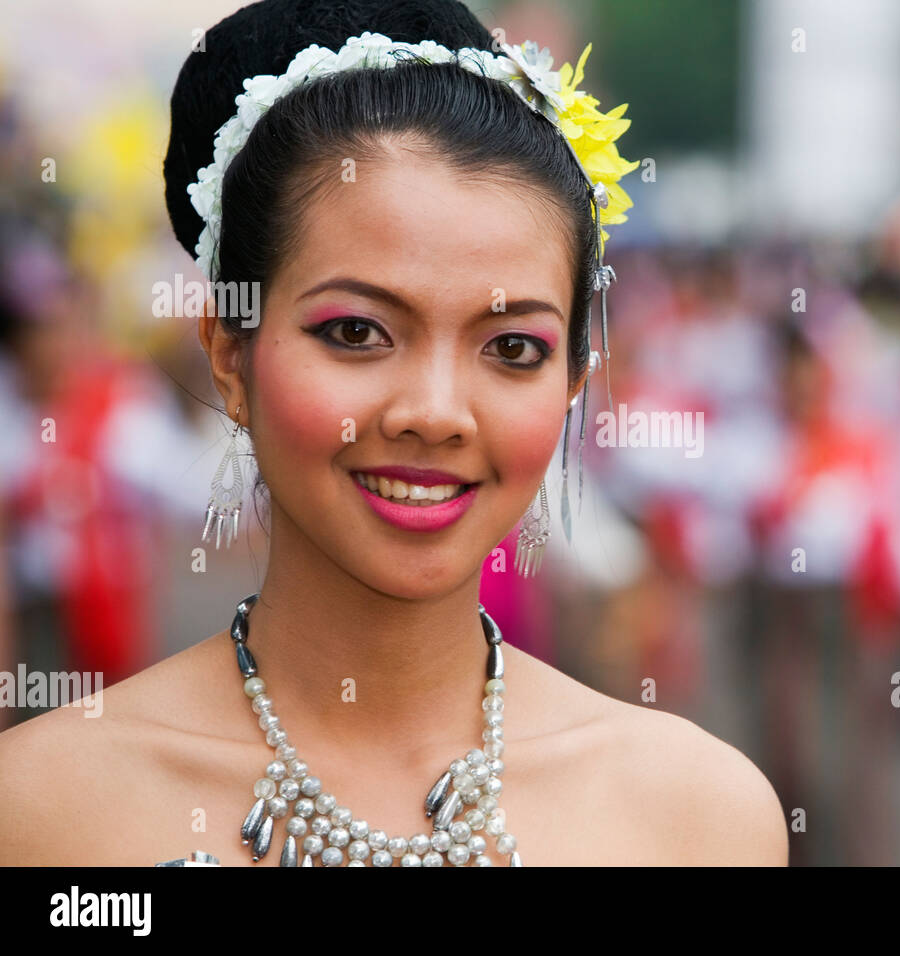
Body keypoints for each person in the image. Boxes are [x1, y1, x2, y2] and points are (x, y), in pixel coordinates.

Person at [0, 0, 787, 867]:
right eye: (357, 332)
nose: (435, 412)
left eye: (512, 347)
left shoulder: (702, 823)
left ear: (571, 383)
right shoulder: (43, 814)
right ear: (231, 354)